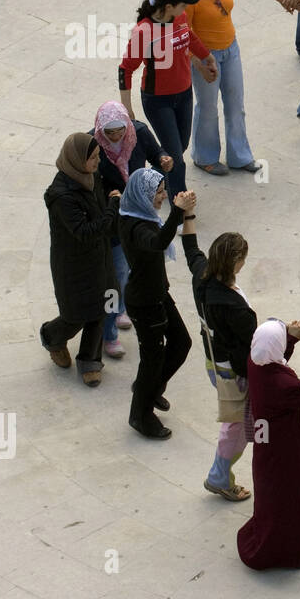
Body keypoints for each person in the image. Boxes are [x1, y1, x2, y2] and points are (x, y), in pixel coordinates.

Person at [182, 0, 294, 176]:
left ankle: (240, 156)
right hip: (205, 57)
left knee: (235, 104)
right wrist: (199, 64)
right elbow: (185, 35)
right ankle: (205, 156)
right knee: (208, 107)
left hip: (231, 49)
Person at [237, 319, 300, 570]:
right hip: (284, 447)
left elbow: (276, 358)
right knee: (292, 497)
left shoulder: (255, 361)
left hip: (271, 439)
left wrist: (291, 338)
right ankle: (290, 553)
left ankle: (280, 533)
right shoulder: (284, 384)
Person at [88, 100, 172, 359]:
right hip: (113, 219)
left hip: (137, 212)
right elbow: (89, 177)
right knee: (117, 274)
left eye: (119, 131)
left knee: (130, 270)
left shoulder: (139, 132)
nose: (115, 137)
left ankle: (121, 309)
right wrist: (109, 197)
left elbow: (154, 153)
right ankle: (110, 334)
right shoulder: (93, 144)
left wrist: (162, 160)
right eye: (109, 133)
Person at [118, 0, 214, 198]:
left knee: (179, 147)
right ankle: (178, 207)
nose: (187, 7)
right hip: (158, 100)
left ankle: (147, 183)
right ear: (168, 6)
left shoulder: (179, 16)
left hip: (184, 94)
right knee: (176, 159)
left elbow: (189, 37)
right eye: (183, 3)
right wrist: (127, 109)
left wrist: (207, 57)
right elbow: (125, 69)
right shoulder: (143, 32)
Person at [119, 167, 195, 440]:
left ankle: (149, 389)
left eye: (163, 191)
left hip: (158, 293)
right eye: (159, 193)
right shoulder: (137, 226)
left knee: (181, 343)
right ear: (144, 194)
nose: (163, 197)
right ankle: (140, 415)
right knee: (152, 359)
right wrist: (179, 211)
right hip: (144, 301)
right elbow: (158, 242)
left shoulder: (138, 213)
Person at [185, 232, 261, 501]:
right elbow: (254, 344)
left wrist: (188, 217)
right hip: (234, 373)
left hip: (214, 362)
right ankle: (219, 478)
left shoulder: (202, 277)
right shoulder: (234, 308)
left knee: (245, 421)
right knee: (237, 426)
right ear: (236, 261)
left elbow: (191, 251)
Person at [40, 132, 118, 387]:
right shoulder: (61, 196)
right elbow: (84, 232)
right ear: (76, 160)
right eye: (93, 158)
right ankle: (52, 336)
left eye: (98, 156)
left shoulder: (91, 176)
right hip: (73, 265)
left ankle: (90, 360)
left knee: (105, 305)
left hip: (100, 257)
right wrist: (111, 209)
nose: (97, 162)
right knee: (76, 315)